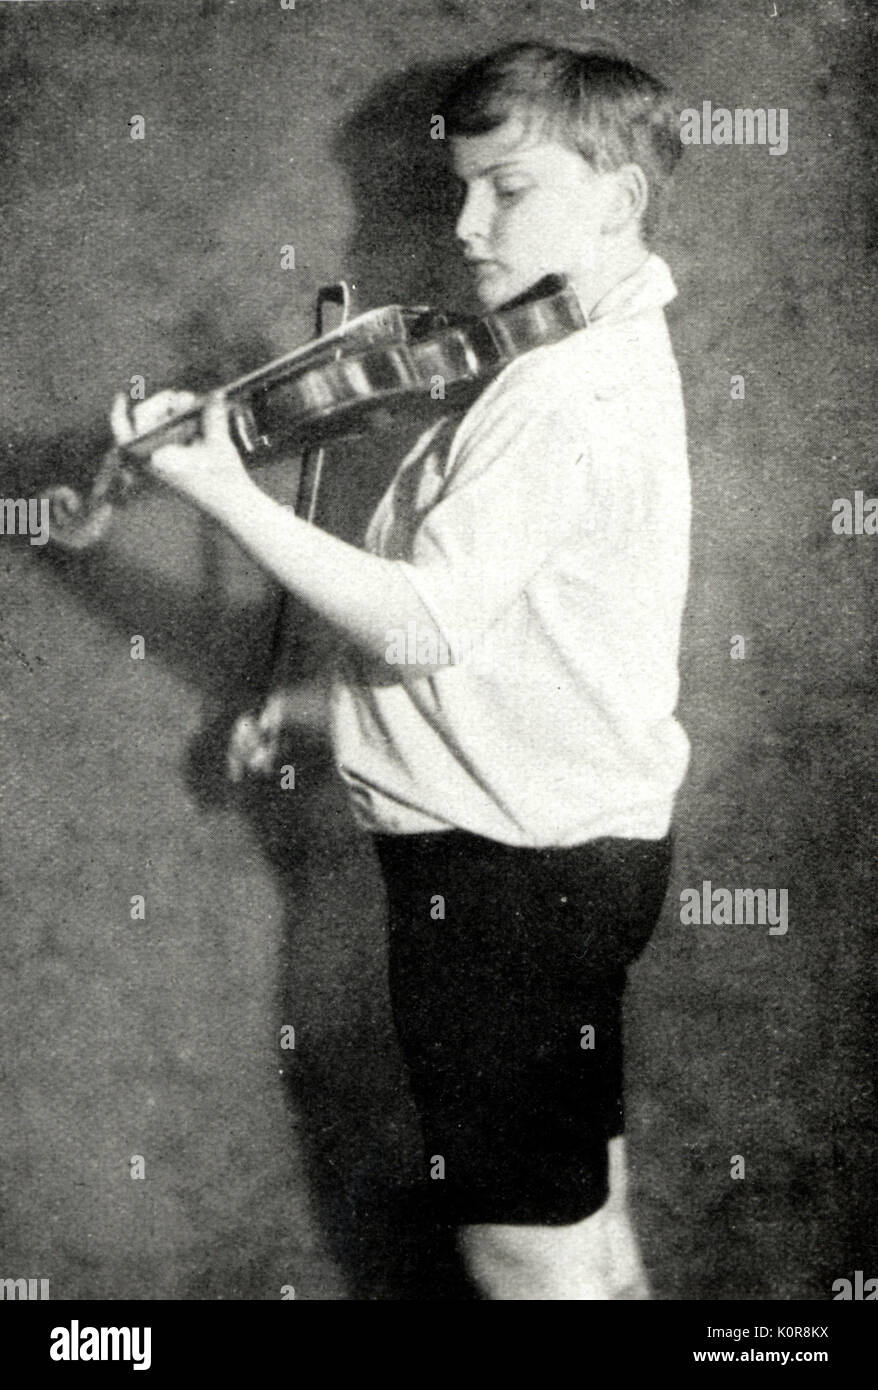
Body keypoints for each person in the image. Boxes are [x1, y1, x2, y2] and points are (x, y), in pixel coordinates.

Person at [111, 41, 690, 1300]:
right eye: (461, 189)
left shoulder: (556, 395)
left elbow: (427, 625)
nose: (471, 227)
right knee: (587, 1230)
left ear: (618, 198)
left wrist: (220, 492)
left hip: (500, 893)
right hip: (578, 864)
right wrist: (324, 706)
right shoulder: (602, 354)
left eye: (511, 189)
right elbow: (531, 646)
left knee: (521, 1255)